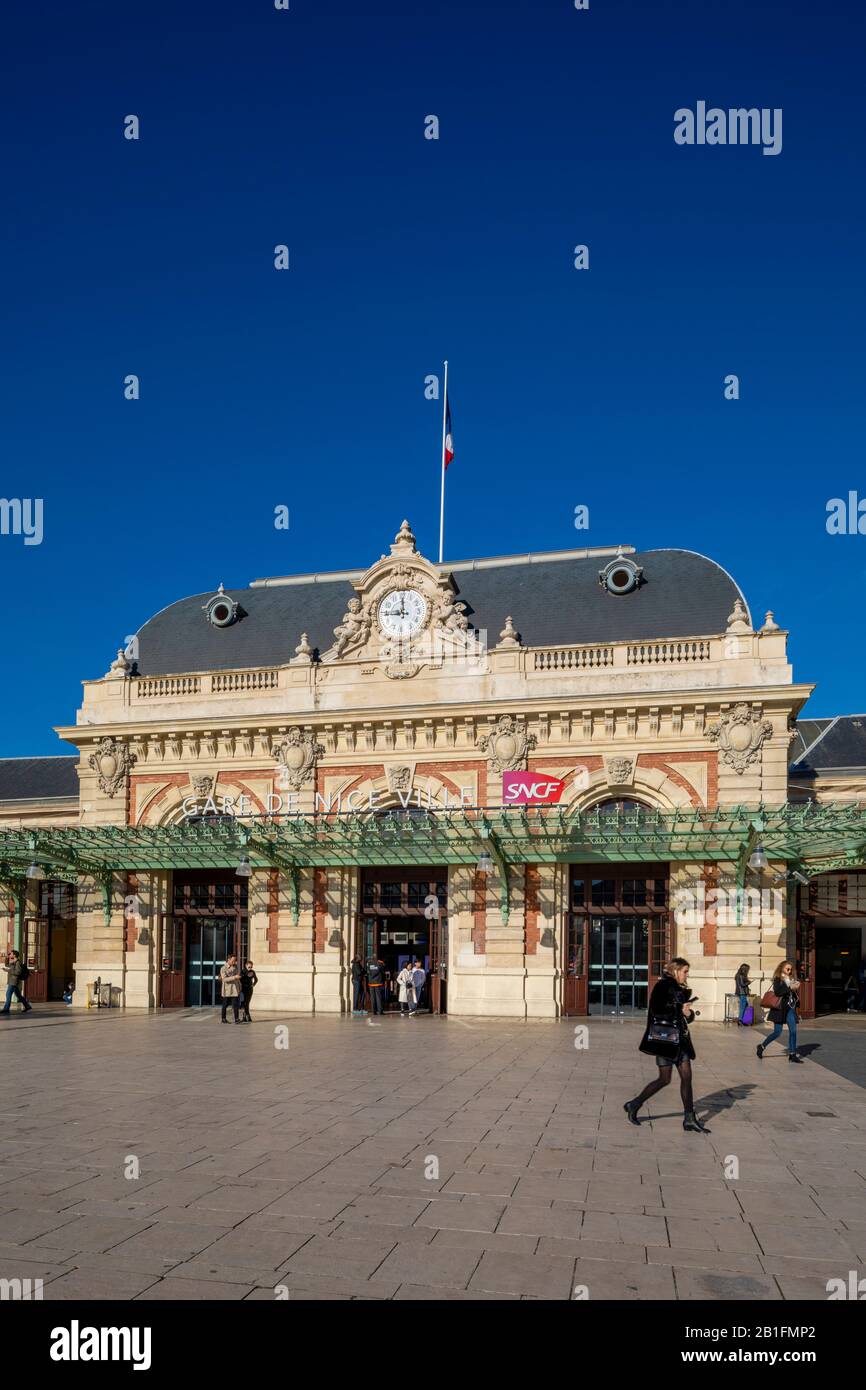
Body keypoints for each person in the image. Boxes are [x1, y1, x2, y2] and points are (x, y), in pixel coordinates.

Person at [624, 957, 708, 1133]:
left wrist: (688, 1013)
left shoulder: (679, 988)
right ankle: (634, 1104)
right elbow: (657, 1010)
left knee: (687, 1077)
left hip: (681, 1041)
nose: (687, 975)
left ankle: (689, 1119)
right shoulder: (663, 986)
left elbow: (686, 1016)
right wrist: (679, 1010)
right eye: (685, 971)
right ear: (676, 971)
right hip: (665, 1039)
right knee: (664, 1079)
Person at [757, 960, 803, 1062]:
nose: (789, 971)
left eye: (791, 969)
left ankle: (792, 1054)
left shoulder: (792, 979)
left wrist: (795, 988)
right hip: (779, 1009)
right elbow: (778, 992)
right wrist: (790, 987)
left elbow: (793, 995)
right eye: (788, 968)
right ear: (782, 968)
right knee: (777, 1032)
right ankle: (761, 1046)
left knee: (793, 1031)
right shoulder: (778, 979)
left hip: (790, 1008)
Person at [219, 954, 241, 1023]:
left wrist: (240, 986)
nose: (234, 962)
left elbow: (238, 977)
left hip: (234, 988)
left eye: (235, 960)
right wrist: (234, 977)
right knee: (225, 1005)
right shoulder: (223, 968)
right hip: (227, 989)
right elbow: (224, 979)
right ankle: (223, 1019)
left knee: (235, 1005)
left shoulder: (236, 967)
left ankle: (236, 1019)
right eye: (233, 960)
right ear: (228, 960)